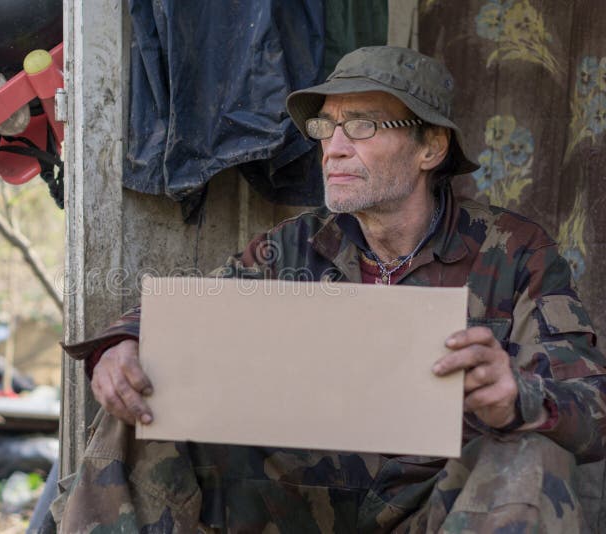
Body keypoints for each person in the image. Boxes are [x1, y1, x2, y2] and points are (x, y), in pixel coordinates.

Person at [60, 46, 606, 532]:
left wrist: (517, 396)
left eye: (363, 126)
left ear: (430, 148)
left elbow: (594, 410)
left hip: (439, 505)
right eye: (326, 127)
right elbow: (190, 316)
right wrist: (123, 343)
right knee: (141, 402)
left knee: (535, 455)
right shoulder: (291, 247)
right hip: (301, 500)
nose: (334, 148)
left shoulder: (515, 252)